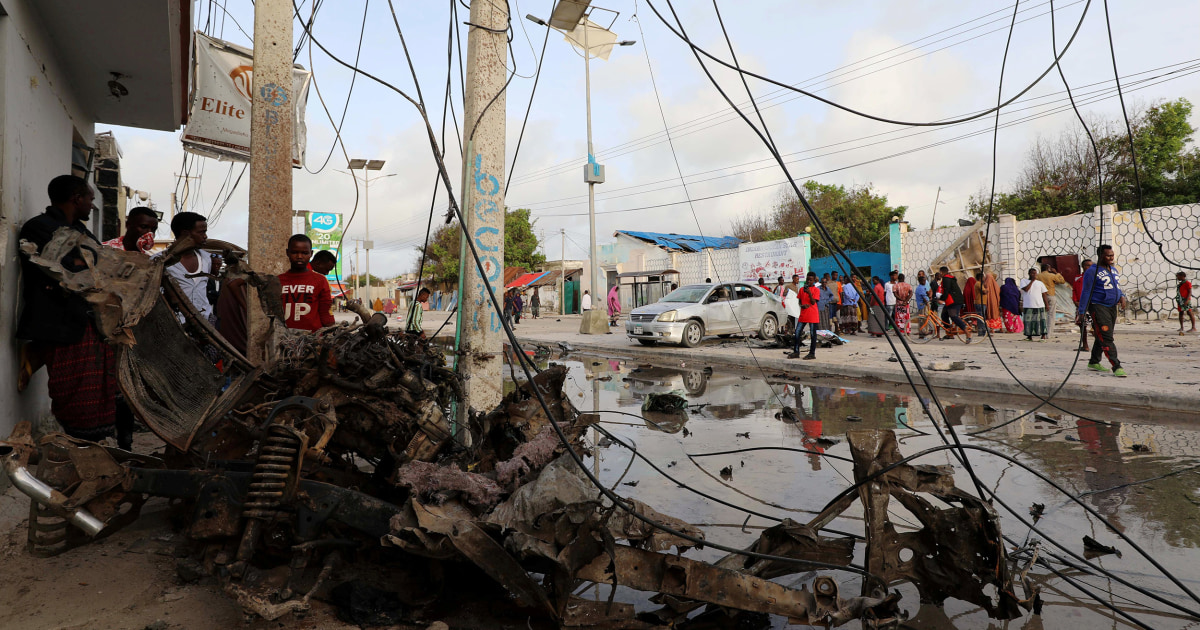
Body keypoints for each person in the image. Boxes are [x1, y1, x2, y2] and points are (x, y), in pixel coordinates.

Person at [18, 175, 118, 443]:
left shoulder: (82, 232)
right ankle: (76, 445)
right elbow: (70, 269)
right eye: (89, 199)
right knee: (72, 390)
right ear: (77, 199)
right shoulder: (39, 227)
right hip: (61, 323)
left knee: (99, 388)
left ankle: (91, 448)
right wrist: (86, 264)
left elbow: (99, 265)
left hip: (88, 322)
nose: (91, 205)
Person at [1077, 244, 1127, 376]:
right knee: (1106, 337)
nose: (1111, 258)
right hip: (1098, 306)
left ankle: (1094, 362)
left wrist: (1122, 296)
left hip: (1112, 307)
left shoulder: (1113, 270)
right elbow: (1086, 291)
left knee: (1102, 335)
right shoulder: (1092, 271)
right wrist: (1081, 312)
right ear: (1101, 256)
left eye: (1112, 255)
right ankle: (1116, 365)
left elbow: (1117, 286)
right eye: (1108, 256)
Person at [166, 211, 219, 324]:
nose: (205, 236)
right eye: (201, 232)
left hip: (205, 323)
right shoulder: (161, 262)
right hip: (176, 324)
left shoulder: (206, 258)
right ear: (185, 234)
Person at [278, 234, 335, 332]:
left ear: (311, 253)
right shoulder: (277, 281)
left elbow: (325, 313)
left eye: (304, 253)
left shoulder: (320, 280)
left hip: (312, 340)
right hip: (283, 338)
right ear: (287, 253)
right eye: (295, 252)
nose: (299, 256)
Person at [789, 272, 821, 360]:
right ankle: (796, 352)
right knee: (797, 333)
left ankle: (812, 353)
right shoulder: (801, 289)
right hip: (803, 314)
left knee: (812, 334)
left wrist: (809, 292)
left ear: (814, 281)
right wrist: (802, 305)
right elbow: (799, 301)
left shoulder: (816, 290)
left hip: (812, 314)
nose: (809, 281)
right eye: (808, 280)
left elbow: (813, 302)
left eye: (811, 280)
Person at [1036, 263, 1068, 337]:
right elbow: (1062, 281)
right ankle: (1048, 334)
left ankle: (1041, 332)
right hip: (1050, 295)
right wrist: (1056, 273)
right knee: (1051, 315)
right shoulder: (1052, 275)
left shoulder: (1038, 276)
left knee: (1041, 315)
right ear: (1048, 269)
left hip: (1040, 296)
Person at [1019, 268, 1049, 341]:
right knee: (1028, 321)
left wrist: (1046, 304)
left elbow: (1044, 294)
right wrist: (1032, 281)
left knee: (1041, 321)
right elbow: (1026, 289)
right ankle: (1029, 336)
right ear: (1029, 274)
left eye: (1035, 273)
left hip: (1039, 305)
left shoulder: (1040, 283)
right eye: (1032, 273)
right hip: (1028, 305)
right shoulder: (1024, 281)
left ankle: (1043, 336)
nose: (1034, 275)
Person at [1072, 259, 1093, 351]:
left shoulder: (1095, 278)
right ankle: (1085, 345)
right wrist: (1075, 300)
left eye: (1090, 265)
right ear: (1083, 267)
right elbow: (1075, 290)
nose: (1088, 267)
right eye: (1087, 265)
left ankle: (1100, 346)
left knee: (1096, 325)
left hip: (1092, 304)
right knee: (1082, 325)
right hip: (1081, 305)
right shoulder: (1078, 278)